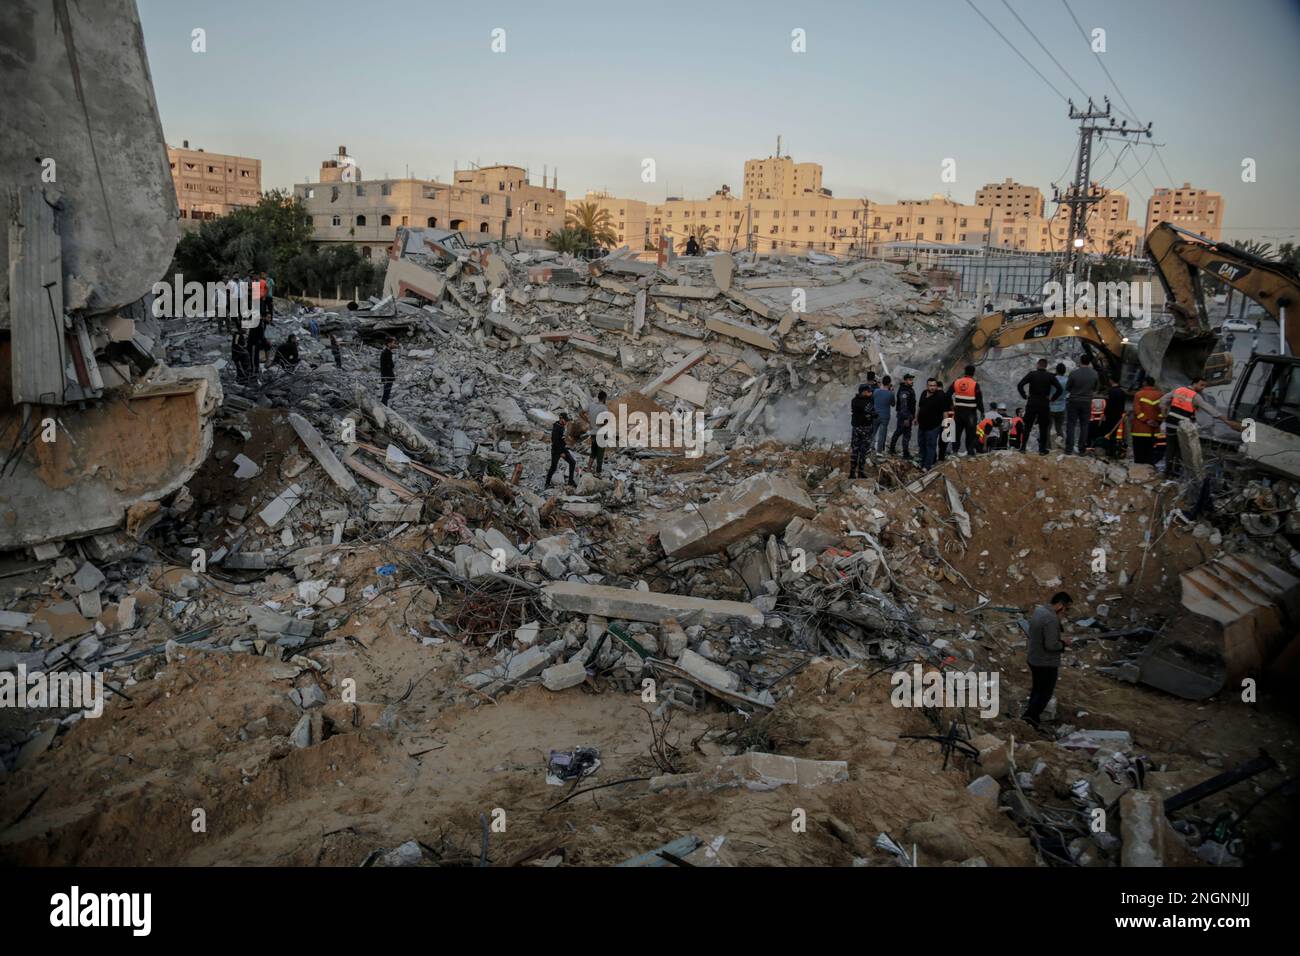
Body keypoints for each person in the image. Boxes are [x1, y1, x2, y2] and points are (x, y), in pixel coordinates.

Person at [1158, 377, 1240, 478]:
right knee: (1180, 449)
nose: (1203, 388)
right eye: (1201, 385)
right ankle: (1174, 472)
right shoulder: (1195, 396)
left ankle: (1167, 472)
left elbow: (1163, 400)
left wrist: (1164, 413)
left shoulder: (1178, 390)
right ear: (1194, 383)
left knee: (1170, 448)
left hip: (1170, 423)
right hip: (1183, 427)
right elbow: (1210, 409)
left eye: (1204, 386)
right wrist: (1227, 421)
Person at [1024, 591, 1073, 730]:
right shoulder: (1051, 618)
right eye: (1066, 609)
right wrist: (1064, 644)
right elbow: (1051, 645)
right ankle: (1030, 719)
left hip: (1034, 658)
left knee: (1037, 689)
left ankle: (1030, 717)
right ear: (1059, 605)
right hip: (1045, 662)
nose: (1066, 613)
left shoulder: (1040, 611)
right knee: (1044, 693)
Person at [1017, 357, 1064, 455]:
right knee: (1043, 427)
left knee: (1028, 426)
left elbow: (1020, 385)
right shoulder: (1050, 376)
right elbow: (1060, 389)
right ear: (1046, 366)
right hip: (1044, 403)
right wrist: (1052, 399)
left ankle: (1023, 448)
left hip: (1032, 402)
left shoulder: (1032, 374)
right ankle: (1042, 450)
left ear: (1038, 365)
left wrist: (1025, 395)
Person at [1064, 355, 1099, 455]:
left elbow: (1068, 387)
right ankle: (1082, 449)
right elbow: (1096, 387)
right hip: (1087, 401)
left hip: (1074, 401)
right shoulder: (1094, 374)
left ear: (1080, 361)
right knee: (1084, 425)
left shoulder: (1074, 373)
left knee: (1071, 424)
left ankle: (1069, 449)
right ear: (1089, 362)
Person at [947, 364, 984, 456]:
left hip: (958, 412)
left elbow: (947, 394)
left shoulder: (956, 382)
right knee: (970, 433)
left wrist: (951, 405)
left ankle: (955, 451)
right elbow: (979, 400)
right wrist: (982, 411)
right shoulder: (975, 384)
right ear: (973, 373)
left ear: (965, 372)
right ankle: (970, 451)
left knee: (957, 432)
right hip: (970, 413)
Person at [916, 377, 950, 470]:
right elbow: (920, 407)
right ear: (927, 386)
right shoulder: (923, 393)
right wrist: (916, 418)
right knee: (921, 445)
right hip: (922, 425)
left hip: (933, 426)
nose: (932, 388)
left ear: (936, 386)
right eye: (930, 386)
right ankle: (923, 463)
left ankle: (927, 466)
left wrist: (946, 425)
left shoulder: (940, 396)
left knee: (930, 446)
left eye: (934, 386)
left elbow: (945, 411)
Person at [1131, 376, 1164, 465]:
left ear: (1144, 383)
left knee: (1139, 455)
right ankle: (1149, 470)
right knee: (1150, 453)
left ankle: (1139, 472)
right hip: (1154, 430)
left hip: (1140, 429)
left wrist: (1146, 420)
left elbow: (1137, 410)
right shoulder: (1161, 395)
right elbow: (1163, 411)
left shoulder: (1139, 394)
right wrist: (1157, 421)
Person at [849, 382, 876, 479]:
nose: (871, 393)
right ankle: (860, 472)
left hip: (856, 428)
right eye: (869, 391)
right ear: (864, 392)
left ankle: (852, 472)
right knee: (863, 451)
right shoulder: (868, 402)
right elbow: (873, 413)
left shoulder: (854, 400)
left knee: (855, 451)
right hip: (865, 429)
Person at [889, 373, 917, 459]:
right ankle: (904, 453)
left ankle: (893, 449)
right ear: (905, 381)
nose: (911, 381)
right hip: (904, 416)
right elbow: (903, 406)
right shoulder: (904, 391)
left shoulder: (908, 389)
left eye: (912, 380)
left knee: (900, 432)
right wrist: (906, 418)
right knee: (905, 434)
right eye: (909, 380)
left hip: (906, 416)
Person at [546, 411, 577, 487]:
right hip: (556, 450)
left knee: (572, 462)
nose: (566, 422)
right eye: (565, 420)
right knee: (553, 467)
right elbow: (555, 442)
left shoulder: (561, 426)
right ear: (561, 418)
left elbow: (561, 439)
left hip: (563, 448)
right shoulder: (556, 428)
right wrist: (561, 453)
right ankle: (547, 483)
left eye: (566, 420)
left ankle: (570, 481)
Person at [1099, 382, 1127, 459]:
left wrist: (1105, 414)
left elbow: (1109, 405)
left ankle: (1107, 450)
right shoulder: (1122, 393)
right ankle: (1112, 451)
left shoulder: (1112, 392)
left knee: (1107, 433)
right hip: (1118, 416)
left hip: (1110, 416)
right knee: (1113, 435)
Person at [587, 389, 610, 476]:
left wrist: (588, 421)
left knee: (593, 452)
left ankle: (588, 468)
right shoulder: (604, 408)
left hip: (593, 433)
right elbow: (606, 420)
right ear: (604, 398)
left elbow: (581, 413)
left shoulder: (591, 405)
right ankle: (598, 472)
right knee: (600, 454)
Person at [872, 375, 895, 453]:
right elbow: (893, 404)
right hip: (885, 416)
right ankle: (879, 451)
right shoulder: (890, 394)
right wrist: (892, 392)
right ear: (889, 383)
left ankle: (871, 448)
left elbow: (873, 400)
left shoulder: (876, 391)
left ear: (882, 382)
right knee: (882, 435)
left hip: (875, 414)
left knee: (873, 432)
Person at [1050, 361, 1068, 446]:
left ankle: (1047, 447)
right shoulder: (1067, 380)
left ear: (1056, 370)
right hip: (1062, 407)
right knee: (1059, 428)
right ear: (1064, 371)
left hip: (1050, 406)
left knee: (1047, 428)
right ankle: (1060, 444)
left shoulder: (1052, 379)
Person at [380, 337, 396, 406]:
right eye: (393, 343)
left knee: (387, 392)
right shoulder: (386, 353)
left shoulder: (387, 352)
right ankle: (384, 405)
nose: (394, 344)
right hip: (387, 376)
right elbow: (385, 366)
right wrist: (384, 377)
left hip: (388, 376)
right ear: (389, 344)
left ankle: (384, 405)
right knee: (386, 392)